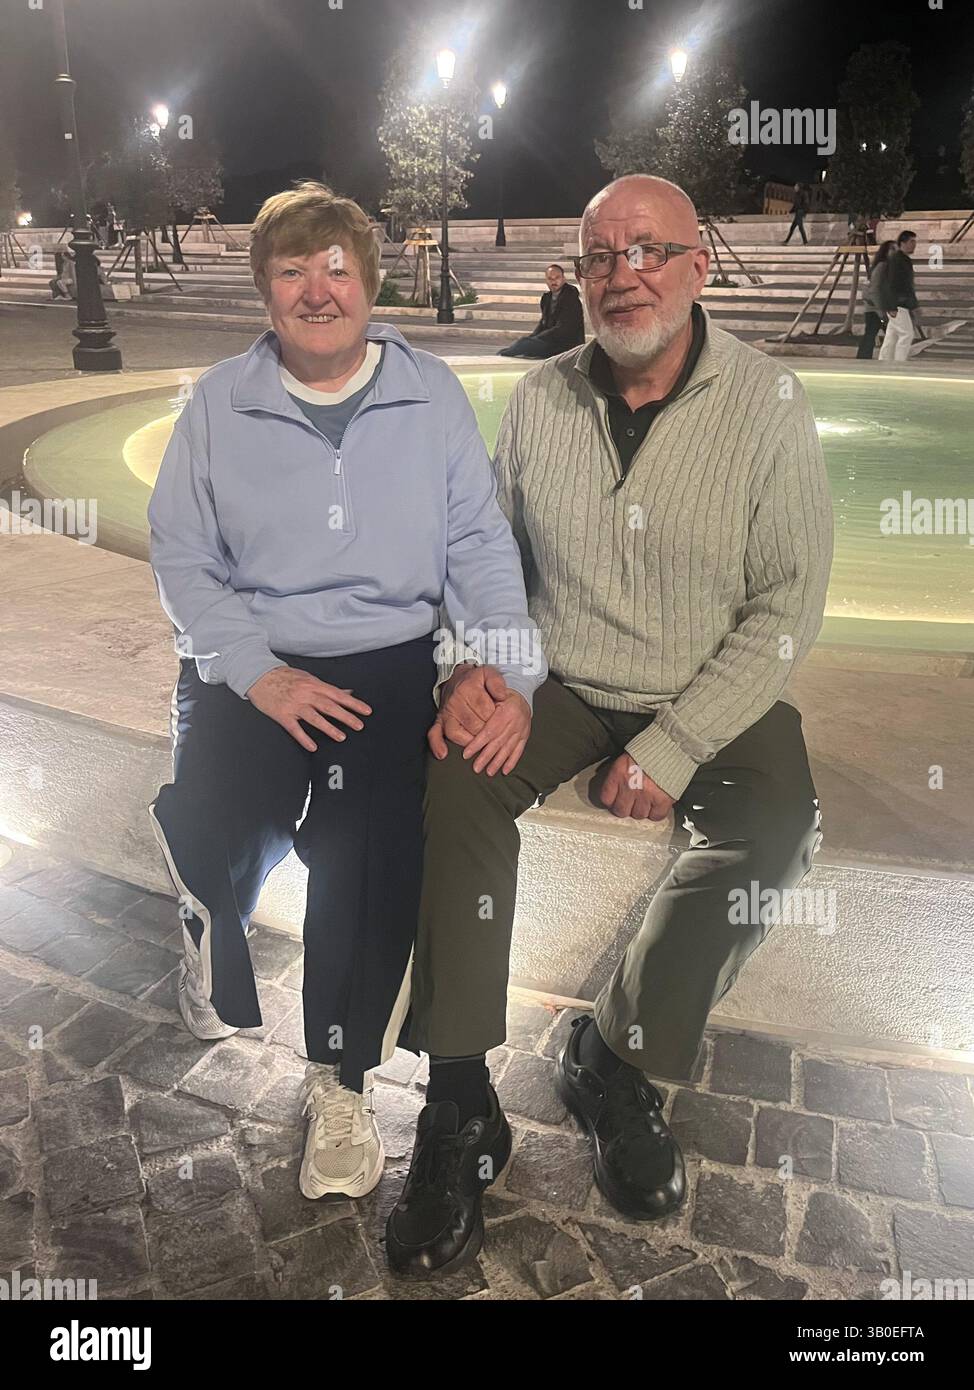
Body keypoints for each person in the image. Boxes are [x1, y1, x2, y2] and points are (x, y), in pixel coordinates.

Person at [387, 174, 833, 1278]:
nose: (622, 275)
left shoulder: (766, 405)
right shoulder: (539, 399)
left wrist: (673, 744)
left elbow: (787, 605)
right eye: (599, 257)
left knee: (773, 828)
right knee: (452, 772)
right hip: (563, 678)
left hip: (708, 684)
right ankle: (456, 1102)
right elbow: (485, 563)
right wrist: (472, 670)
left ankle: (612, 1057)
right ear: (579, 277)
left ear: (697, 265)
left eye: (646, 251)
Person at [146, 182, 545, 1204]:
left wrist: (499, 669)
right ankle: (213, 913)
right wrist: (258, 670)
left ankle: (339, 1073)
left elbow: (477, 548)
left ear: (371, 285)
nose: (315, 289)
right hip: (254, 660)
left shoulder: (430, 397)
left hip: (383, 662)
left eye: (336, 268)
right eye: (291, 270)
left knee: (367, 855)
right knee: (211, 815)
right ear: (265, 290)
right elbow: (184, 558)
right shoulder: (216, 405)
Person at [497, 263, 585, 358]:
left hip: (566, 344)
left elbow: (563, 328)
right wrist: (532, 337)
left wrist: (538, 338)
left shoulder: (571, 298)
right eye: (550, 279)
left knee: (525, 345)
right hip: (550, 340)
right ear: (546, 280)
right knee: (524, 342)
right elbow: (543, 323)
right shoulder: (546, 298)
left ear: (563, 279)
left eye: (557, 278)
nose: (554, 281)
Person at [879, 229, 919, 362]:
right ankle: (899, 362)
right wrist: (891, 305)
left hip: (898, 303)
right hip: (897, 303)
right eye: (911, 241)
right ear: (903, 243)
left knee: (893, 335)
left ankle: (885, 361)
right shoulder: (897, 260)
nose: (914, 244)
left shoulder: (902, 259)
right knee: (906, 334)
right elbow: (890, 283)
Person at [856, 239, 895, 359]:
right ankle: (864, 358)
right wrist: (881, 310)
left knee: (877, 334)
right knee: (871, 334)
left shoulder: (889, 267)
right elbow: (874, 289)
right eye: (893, 249)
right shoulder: (883, 266)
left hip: (879, 306)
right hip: (875, 307)